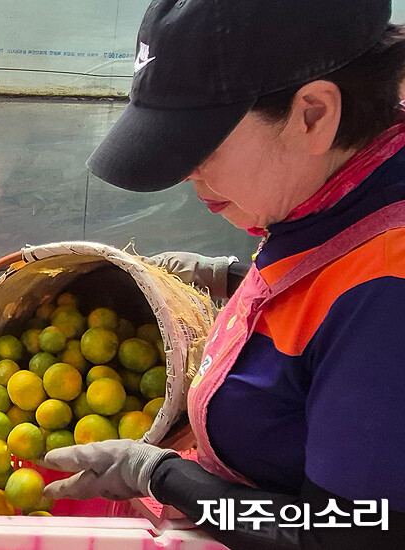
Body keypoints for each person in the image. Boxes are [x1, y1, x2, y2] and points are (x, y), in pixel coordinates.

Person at [40, 0, 405, 548]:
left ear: (313, 115)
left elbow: (352, 535)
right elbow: (318, 295)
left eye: (200, 144)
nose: (186, 173)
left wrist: (164, 475)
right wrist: (229, 276)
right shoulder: (330, 199)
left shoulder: (388, 293)